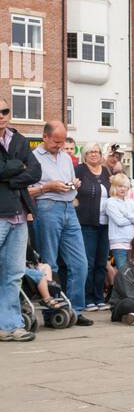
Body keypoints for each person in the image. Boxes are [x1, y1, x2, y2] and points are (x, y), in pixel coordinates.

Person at [29, 121, 92, 326]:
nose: (60, 145)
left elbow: (70, 181)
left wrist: (75, 184)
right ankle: (52, 311)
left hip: (68, 208)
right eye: (56, 141)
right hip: (47, 208)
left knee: (80, 262)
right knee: (50, 262)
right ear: (45, 137)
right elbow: (26, 190)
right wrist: (47, 187)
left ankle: (74, 309)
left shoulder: (66, 157)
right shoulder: (33, 157)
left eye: (63, 141)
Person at [0, 97, 41, 342]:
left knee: (14, 273)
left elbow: (35, 171)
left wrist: (10, 177)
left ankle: (10, 325)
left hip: (19, 213)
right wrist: (18, 165)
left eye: (5, 110)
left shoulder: (19, 139)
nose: (1, 115)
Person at [75, 143, 112, 309]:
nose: (94, 155)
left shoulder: (105, 171)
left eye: (96, 152)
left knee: (101, 262)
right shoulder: (79, 170)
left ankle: (99, 297)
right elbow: (72, 190)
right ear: (84, 155)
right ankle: (87, 297)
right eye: (90, 152)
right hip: (87, 222)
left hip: (105, 223)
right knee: (88, 263)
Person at [105, 174, 134, 270]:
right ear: (114, 186)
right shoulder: (110, 202)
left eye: (125, 187)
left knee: (132, 271)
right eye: (120, 186)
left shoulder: (130, 202)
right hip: (118, 242)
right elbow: (119, 221)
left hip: (132, 242)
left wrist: (126, 214)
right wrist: (133, 218)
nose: (123, 189)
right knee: (123, 271)